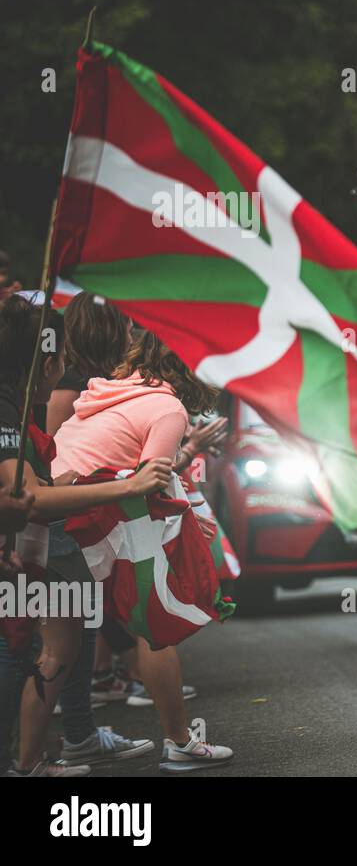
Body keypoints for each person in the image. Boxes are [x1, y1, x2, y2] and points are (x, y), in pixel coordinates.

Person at [0, 297, 172, 776]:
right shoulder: (11, 401)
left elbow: (37, 484)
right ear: (50, 359)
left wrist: (74, 482)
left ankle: (34, 759)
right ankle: (27, 762)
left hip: (36, 542)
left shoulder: (19, 399)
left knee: (50, 648)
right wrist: (127, 484)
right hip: (43, 541)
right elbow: (28, 493)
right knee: (33, 652)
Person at [52, 324, 234, 771]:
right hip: (82, 522)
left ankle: (52, 748)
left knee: (54, 644)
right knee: (154, 628)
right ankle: (179, 742)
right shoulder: (167, 406)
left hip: (51, 517)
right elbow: (152, 478)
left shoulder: (107, 391)